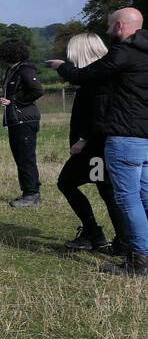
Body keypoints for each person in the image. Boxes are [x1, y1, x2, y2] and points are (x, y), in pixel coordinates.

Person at [48, 7, 148, 276]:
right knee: (127, 195)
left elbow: (96, 103)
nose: (107, 31)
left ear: (119, 26)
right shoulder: (136, 59)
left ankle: (133, 254)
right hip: (137, 137)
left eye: (110, 26)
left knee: (123, 198)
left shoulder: (114, 66)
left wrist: (62, 68)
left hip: (116, 141)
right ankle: (125, 245)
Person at [52, 33, 127, 254]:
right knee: (106, 190)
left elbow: (102, 116)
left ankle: (98, 234)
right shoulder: (98, 78)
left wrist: (83, 140)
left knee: (70, 183)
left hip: (95, 146)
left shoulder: (99, 80)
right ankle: (111, 238)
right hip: (98, 145)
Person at [0, 39, 44, 207]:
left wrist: (15, 101)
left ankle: (32, 194)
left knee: (25, 158)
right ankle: (29, 191)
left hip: (24, 119)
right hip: (16, 119)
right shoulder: (14, 70)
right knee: (21, 157)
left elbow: (37, 90)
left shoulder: (24, 69)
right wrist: (3, 99)